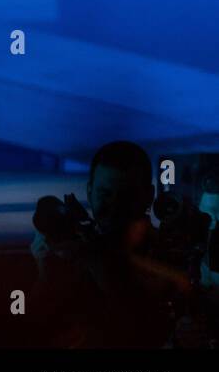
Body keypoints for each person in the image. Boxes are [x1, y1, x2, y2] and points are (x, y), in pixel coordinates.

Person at [29, 140, 184, 347]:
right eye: (105, 194)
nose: (114, 206)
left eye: (126, 196)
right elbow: (31, 325)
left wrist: (93, 258)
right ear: (89, 191)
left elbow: (143, 324)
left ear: (149, 196)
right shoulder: (77, 245)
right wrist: (46, 273)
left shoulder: (172, 252)